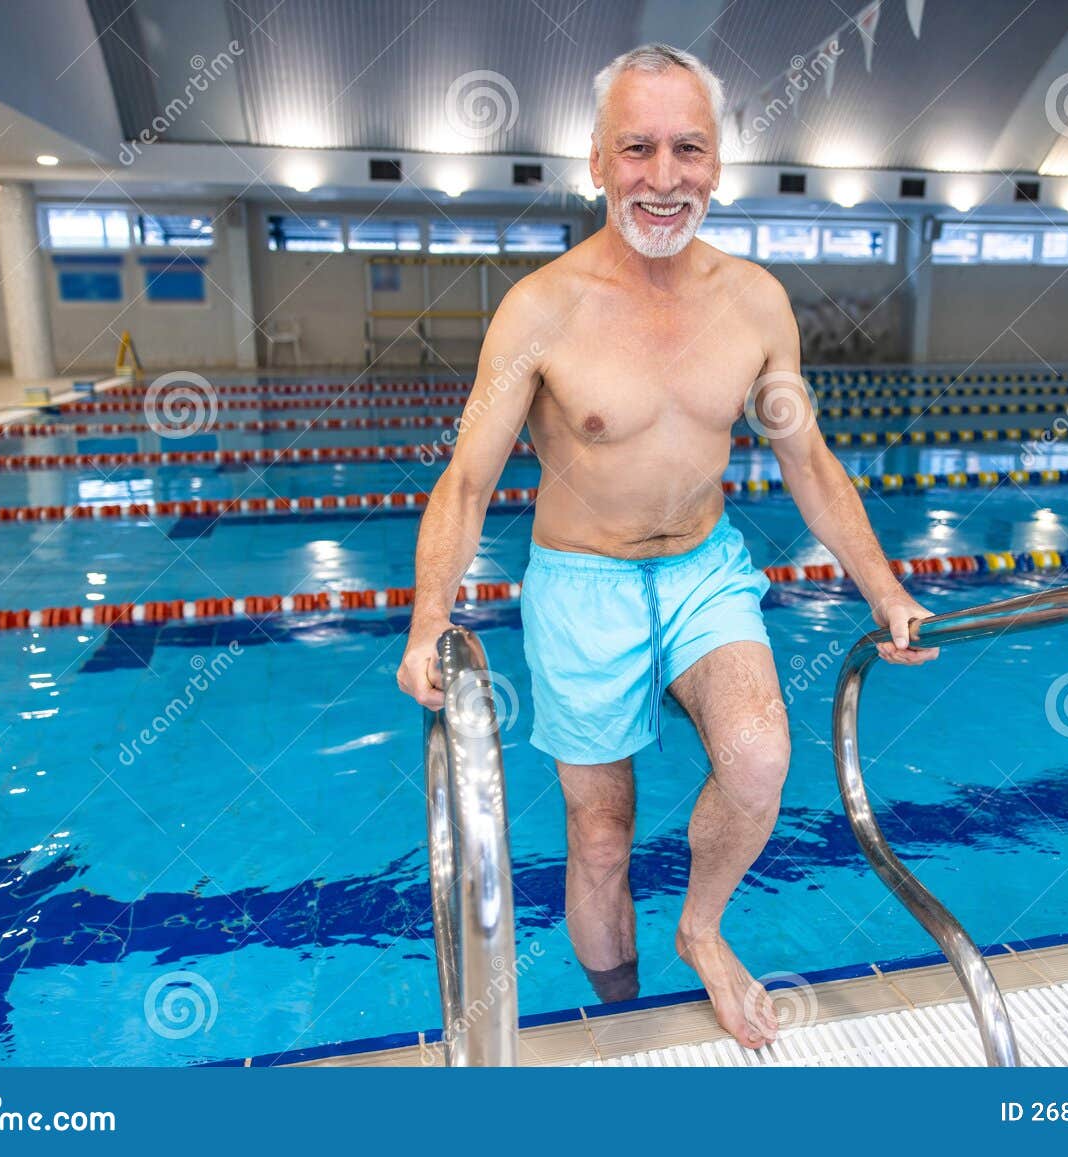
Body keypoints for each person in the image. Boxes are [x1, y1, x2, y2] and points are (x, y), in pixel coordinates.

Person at [398, 43, 938, 1051]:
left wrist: (884, 590)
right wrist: (430, 616)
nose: (663, 175)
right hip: (582, 587)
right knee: (601, 836)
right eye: (636, 147)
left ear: (717, 163)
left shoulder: (753, 301)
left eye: (687, 147)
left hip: (702, 571)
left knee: (759, 754)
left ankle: (701, 927)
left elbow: (807, 459)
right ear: (597, 161)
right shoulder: (541, 310)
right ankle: (623, 1025)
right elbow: (467, 479)